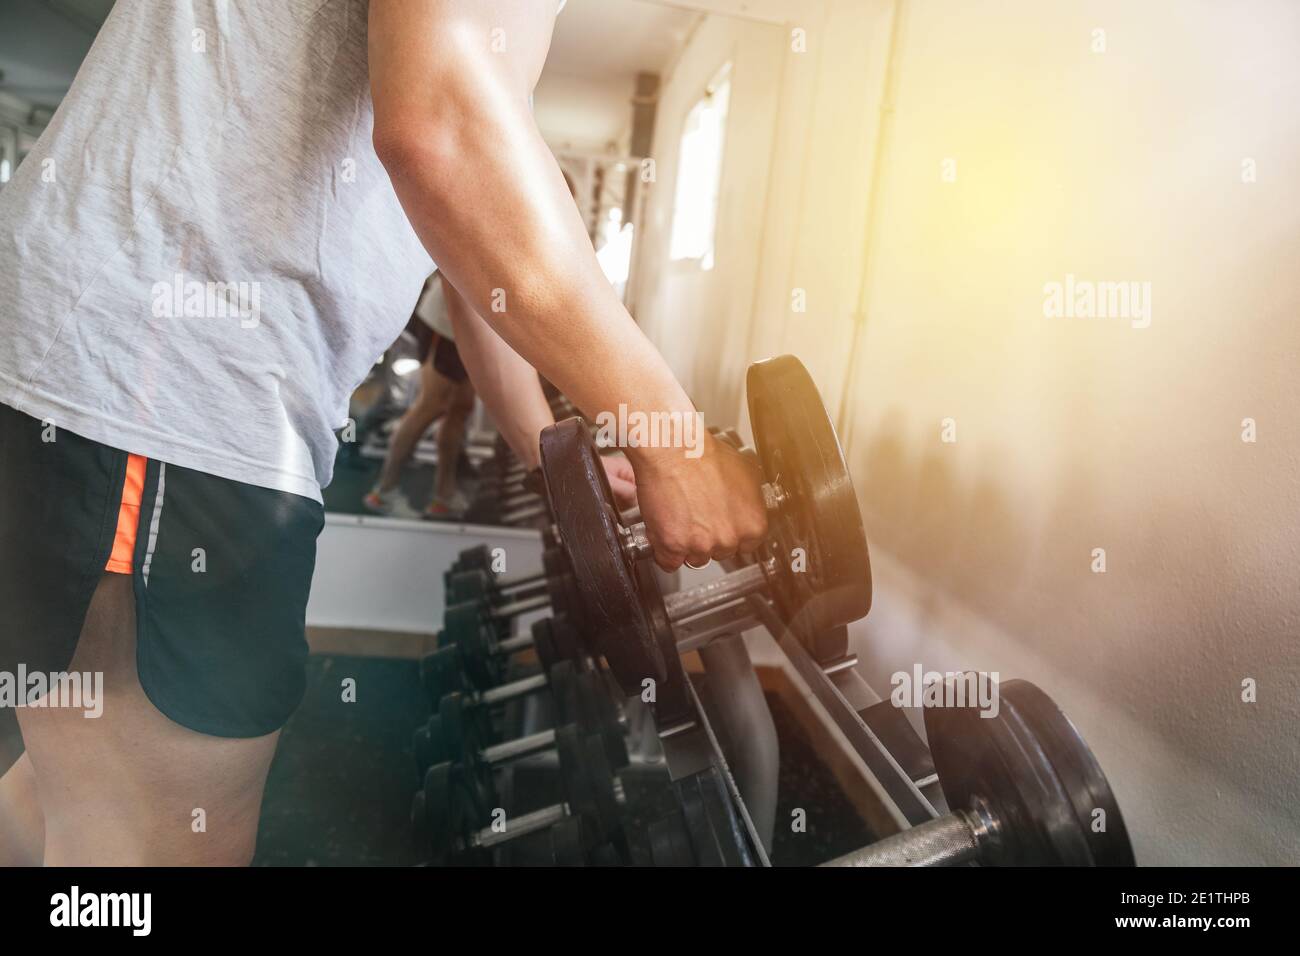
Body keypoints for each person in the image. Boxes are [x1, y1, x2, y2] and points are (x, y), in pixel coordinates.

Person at [0, 0, 765, 866]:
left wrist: (553, 456)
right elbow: (437, 134)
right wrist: (673, 440)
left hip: (146, 373)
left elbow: (477, 224)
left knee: (66, 799)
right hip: (159, 378)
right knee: (148, 846)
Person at [363, 271, 476, 519]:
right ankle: (384, 492)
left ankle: (444, 495)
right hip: (447, 320)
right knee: (433, 404)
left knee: (461, 406)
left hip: (475, 323)